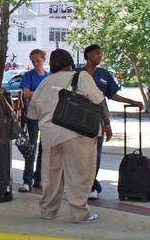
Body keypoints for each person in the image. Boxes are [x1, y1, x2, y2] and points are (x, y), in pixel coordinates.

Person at [27, 48, 105, 223]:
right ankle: (80, 213)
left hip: (50, 136)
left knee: (51, 176)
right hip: (77, 133)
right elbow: (98, 100)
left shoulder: (44, 83)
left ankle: (48, 210)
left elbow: (32, 113)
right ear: (70, 61)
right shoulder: (81, 76)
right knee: (80, 174)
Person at [81, 44, 142, 200]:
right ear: (88, 54)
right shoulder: (78, 73)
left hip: (99, 117)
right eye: (96, 54)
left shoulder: (104, 75)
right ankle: (83, 184)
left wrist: (132, 101)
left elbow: (112, 95)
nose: (99, 57)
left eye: (101, 54)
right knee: (81, 153)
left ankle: (93, 185)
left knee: (96, 153)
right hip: (80, 116)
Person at [18, 48, 49, 192]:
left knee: (45, 148)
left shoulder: (49, 76)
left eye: (38, 60)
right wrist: (42, 93)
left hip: (47, 116)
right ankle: (27, 180)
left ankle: (39, 178)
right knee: (32, 148)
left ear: (44, 59)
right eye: (33, 61)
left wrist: (36, 93)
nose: (36, 63)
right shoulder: (28, 76)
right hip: (33, 115)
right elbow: (26, 93)